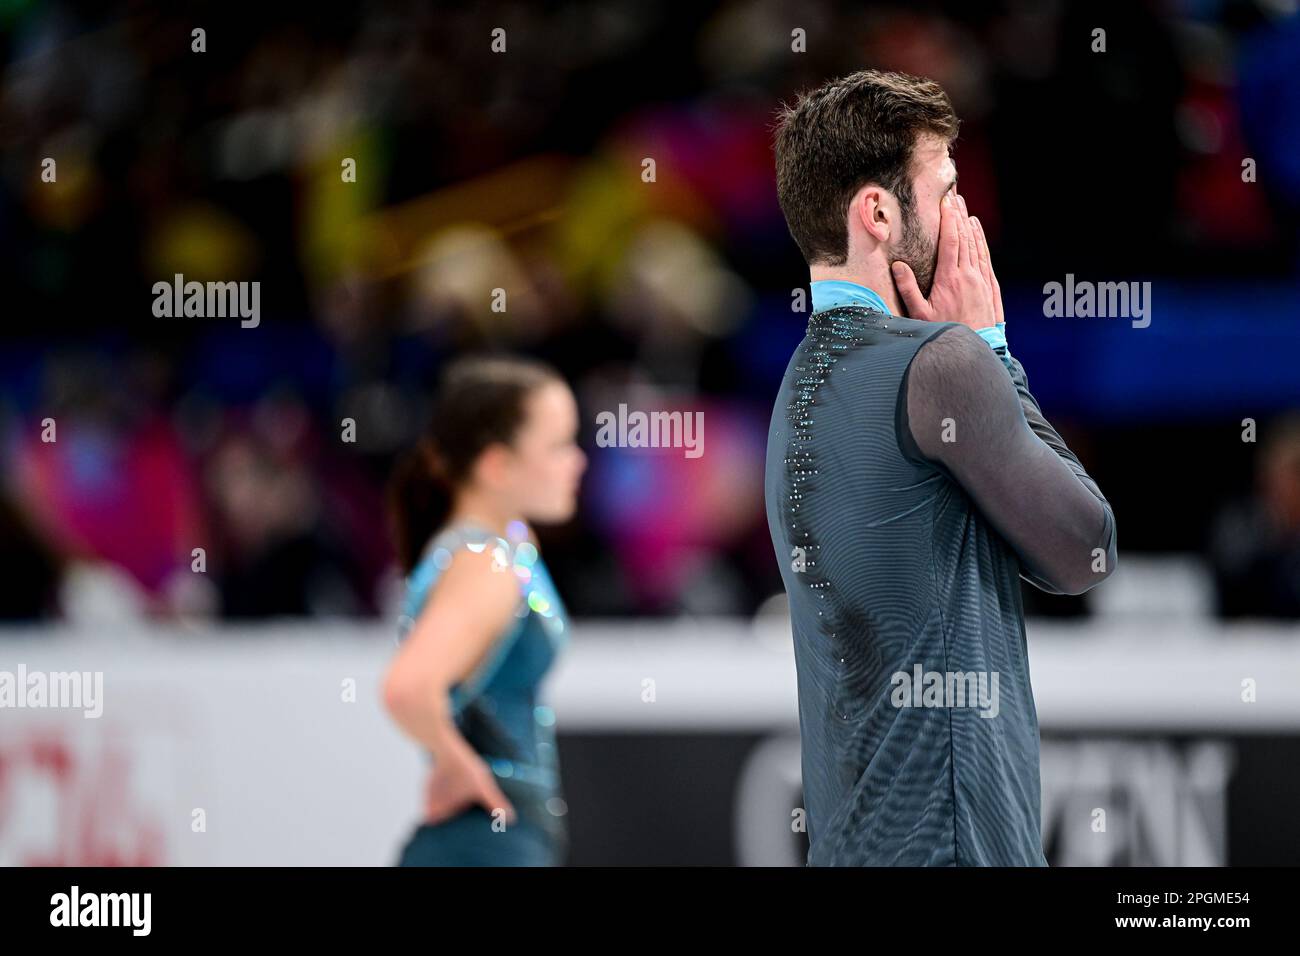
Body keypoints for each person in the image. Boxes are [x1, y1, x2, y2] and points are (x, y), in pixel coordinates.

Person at [765, 70, 1117, 865]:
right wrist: (994, 349)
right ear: (879, 212)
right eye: (947, 190)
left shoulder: (791, 391)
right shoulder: (945, 365)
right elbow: (1086, 549)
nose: (964, 217)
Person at [383, 355, 586, 866]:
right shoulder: (485, 565)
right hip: (485, 844)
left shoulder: (503, 544)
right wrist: (458, 763)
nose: (579, 461)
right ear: (497, 465)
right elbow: (407, 687)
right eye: (560, 445)